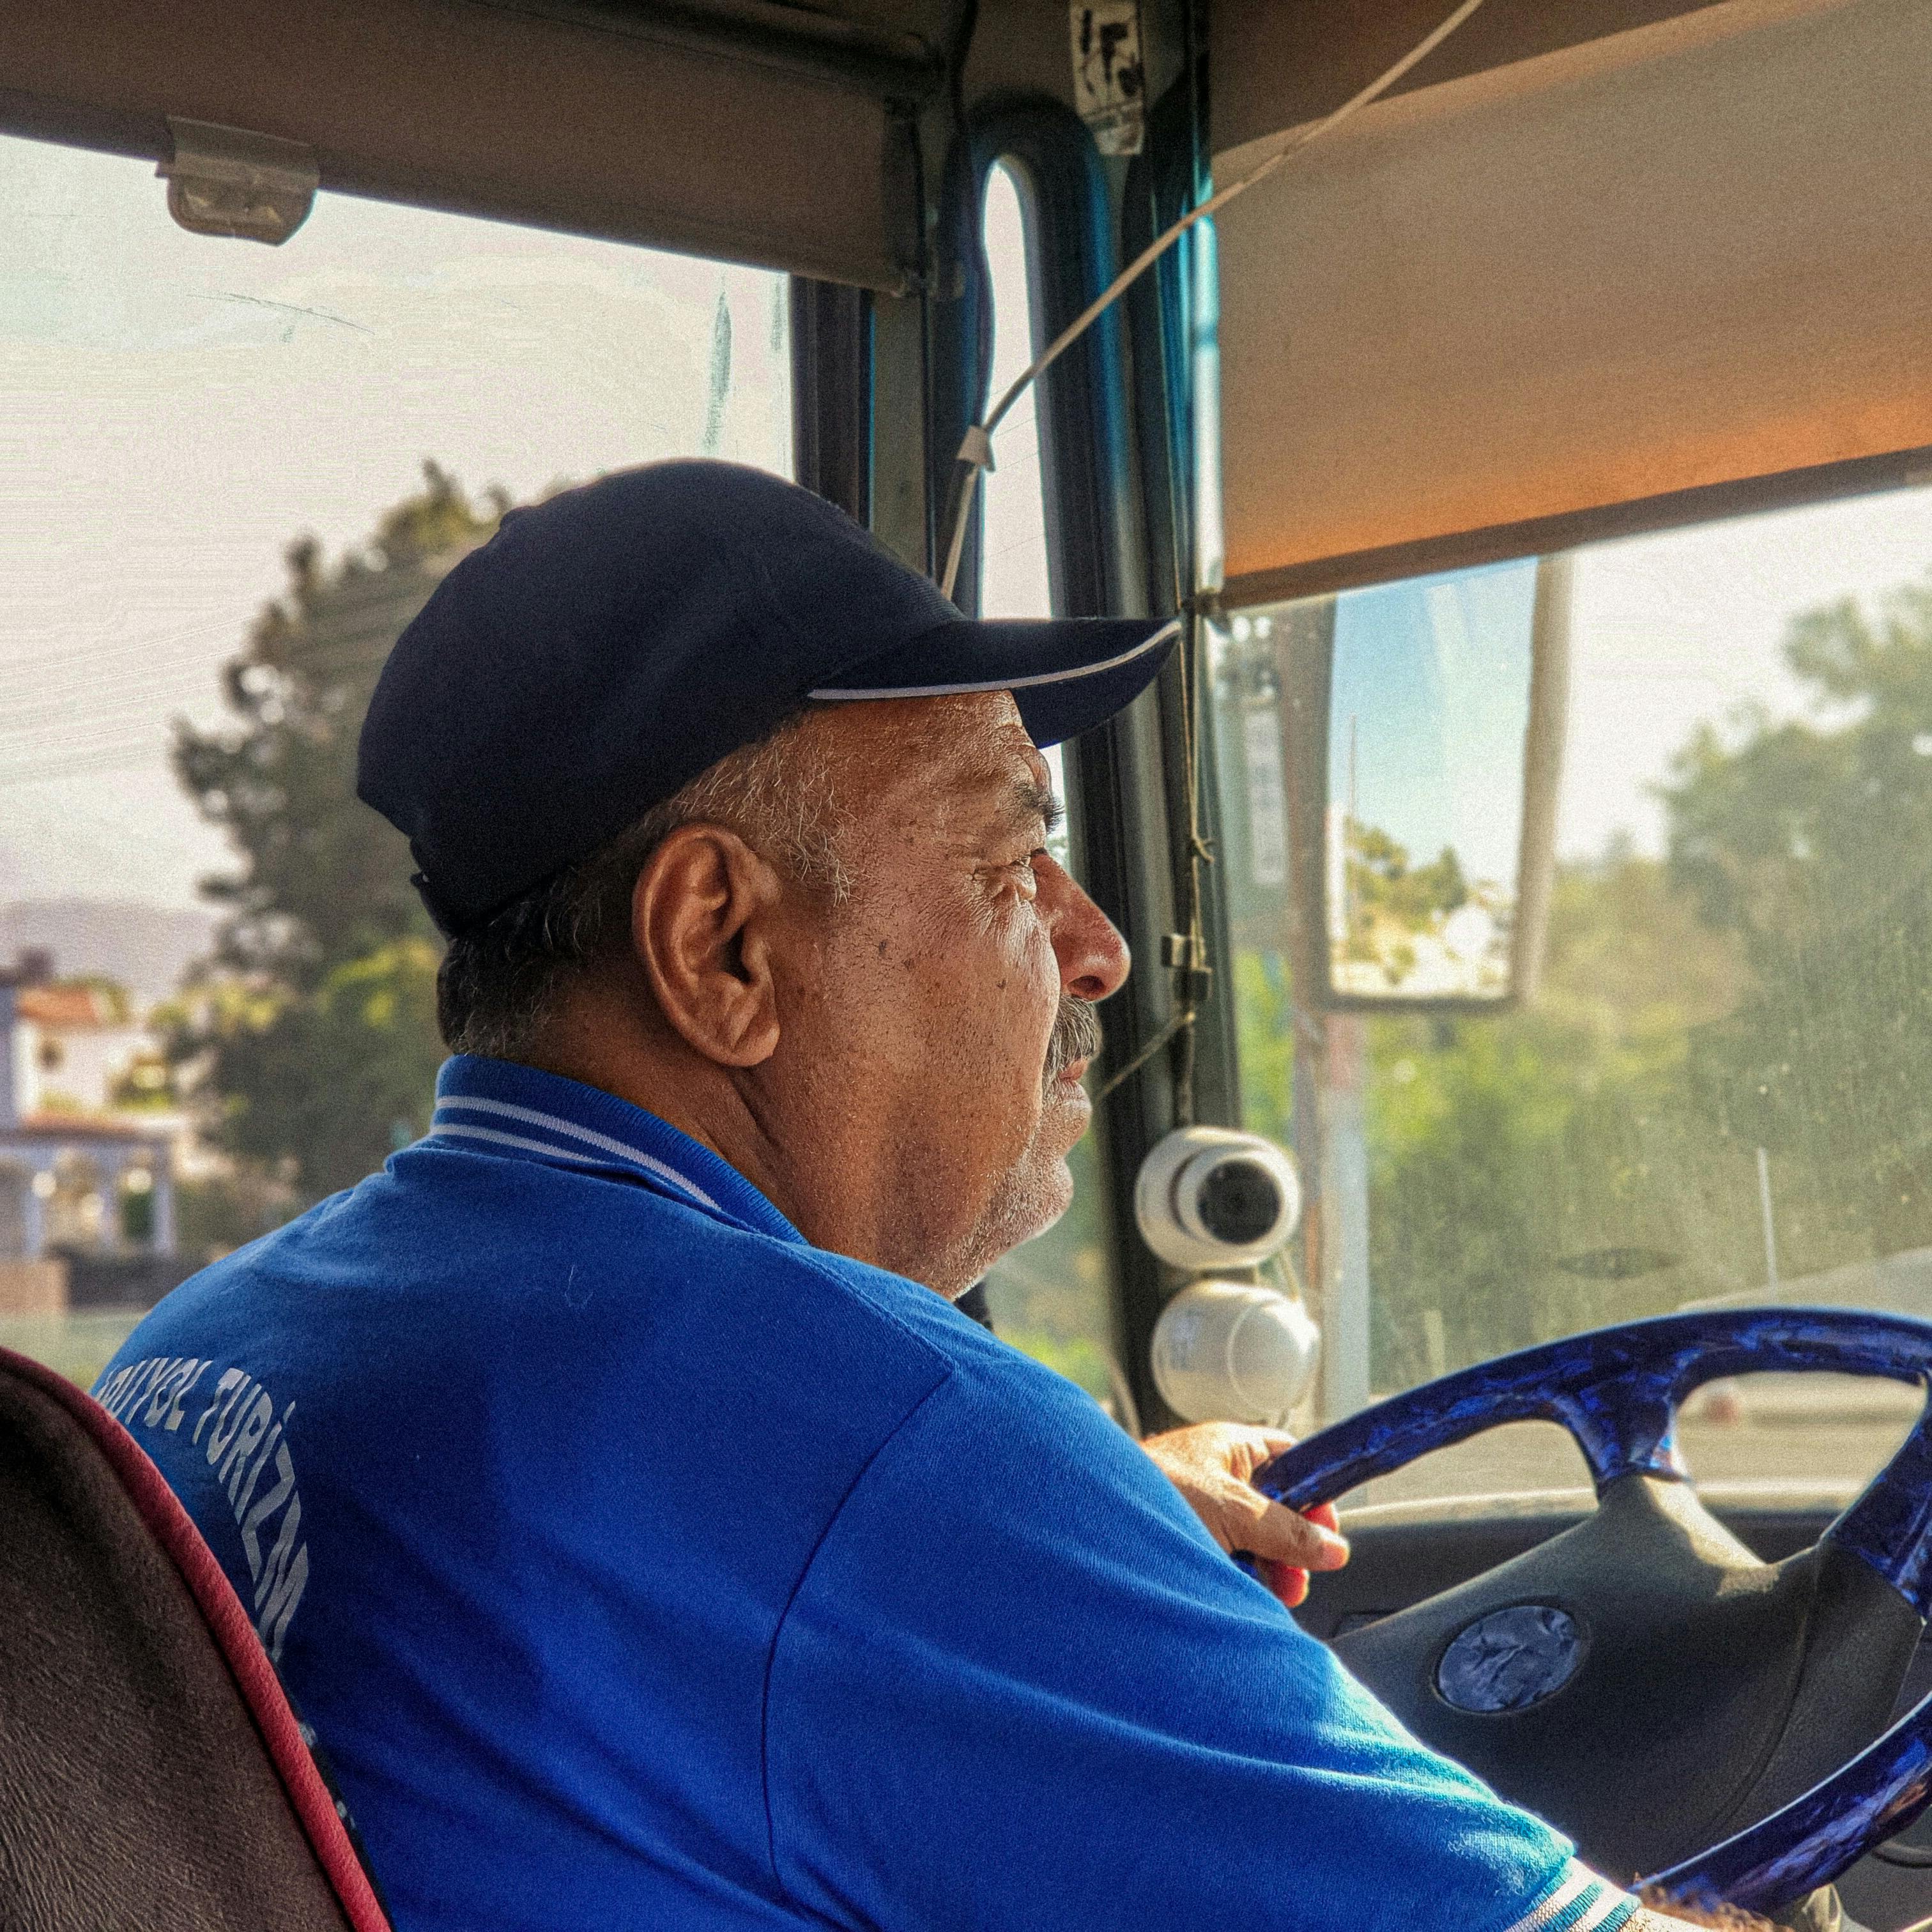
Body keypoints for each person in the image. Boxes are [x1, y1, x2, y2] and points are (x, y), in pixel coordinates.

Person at [96, 463, 1722, 1932]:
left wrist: (1062, 1531)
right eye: (1007, 864)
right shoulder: (873, 1455)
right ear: (721, 946)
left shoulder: (207, 1348)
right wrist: (983, 1513)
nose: (1097, 947)